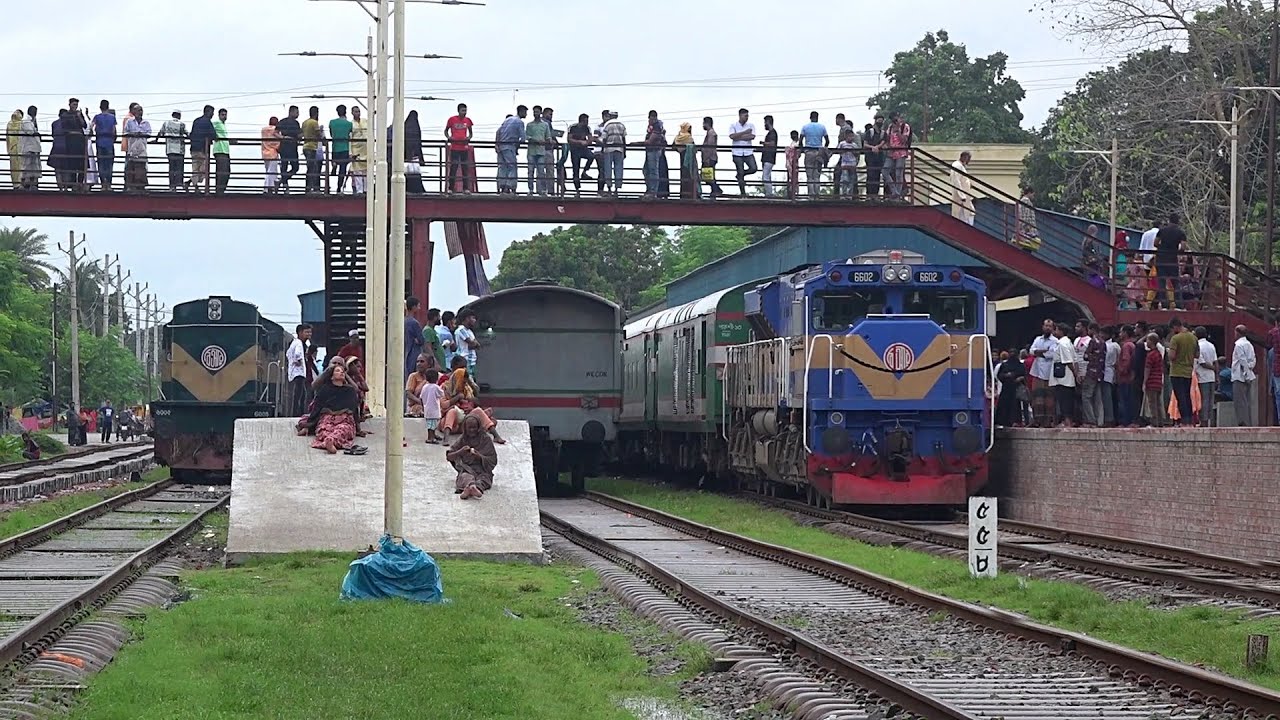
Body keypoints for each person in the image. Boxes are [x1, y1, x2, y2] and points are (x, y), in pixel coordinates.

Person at [299, 360, 367, 454]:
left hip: (344, 419)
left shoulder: (350, 391)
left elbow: (354, 410)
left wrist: (358, 428)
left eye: (343, 371)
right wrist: (308, 425)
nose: (341, 372)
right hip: (327, 418)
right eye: (337, 371)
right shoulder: (325, 390)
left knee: (343, 430)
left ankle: (330, 442)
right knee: (323, 430)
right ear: (331, 376)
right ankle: (328, 441)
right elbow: (317, 408)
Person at [447, 414, 498, 500]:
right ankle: (470, 487)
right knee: (465, 477)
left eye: (474, 427)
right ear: (465, 428)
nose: (472, 430)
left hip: (482, 470)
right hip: (467, 469)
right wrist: (461, 451)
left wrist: (479, 457)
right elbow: (449, 456)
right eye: (469, 428)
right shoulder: (463, 439)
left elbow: (493, 460)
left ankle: (475, 488)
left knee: (484, 479)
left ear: (478, 427)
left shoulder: (485, 439)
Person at [1166, 317, 1197, 425]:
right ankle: (1189, 420)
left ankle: (1184, 420)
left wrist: (1169, 351)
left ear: (1175, 326)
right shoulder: (1193, 338)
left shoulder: (1175, 338)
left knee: (1180, 396)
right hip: (1188, 370)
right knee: (1187, 395)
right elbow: (1197, 354)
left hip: (1177, 371)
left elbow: (1172, 356)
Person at [1049, 322, 1077, 427]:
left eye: (1056, 330)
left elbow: (1068, 360)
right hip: (1064, 376)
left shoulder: (1062, 344)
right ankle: (1064, 420)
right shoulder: (1068, 342)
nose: (1054, 332)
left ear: (1060, 331)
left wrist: (1075, 374)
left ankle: (1067, 422)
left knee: (1064, 399)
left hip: (1064, 376)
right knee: (1065, 398)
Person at [444, 103, 474, 193]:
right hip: (455, 147)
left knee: (465, 167)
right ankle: (451, 188)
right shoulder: (452, 119)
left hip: (464, 147)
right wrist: (449, 137)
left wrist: (468, 138)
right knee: (454, 167)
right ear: (458, 111)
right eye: (462, 111)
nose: (464, 113)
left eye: (465, 111)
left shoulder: (468, 120)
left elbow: (471, 133)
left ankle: (466, 188)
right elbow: (446, 131)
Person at [1231, 324, 1257, 426]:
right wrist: (1250, 370)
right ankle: (1248, 421)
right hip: (1249, 374)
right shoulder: (1249, 344)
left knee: (1239, 401)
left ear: (1237, 332)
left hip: (1239, 375)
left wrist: (1245, 373)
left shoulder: (1238, 345)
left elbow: (1242, 360)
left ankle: (1242, 422)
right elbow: (1253, 360)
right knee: (1247, 401)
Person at [122, 105, 151, 194]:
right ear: (134, 112)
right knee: (131, 167)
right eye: (138, 110)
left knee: (141, 167)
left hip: (142, 147)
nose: (140, 112)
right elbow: (125, 133)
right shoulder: (130, 122)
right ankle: (131, 186)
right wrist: (134, 134)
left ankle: (141, 187)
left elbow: (149, 133)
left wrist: (141, 134)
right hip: (132, 147)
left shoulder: (146, 123)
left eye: (141, 110)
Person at [995, 350, 1026, 427]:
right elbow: (999, 375)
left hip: (1015, 388)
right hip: (1006, 388)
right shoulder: (1004, 365)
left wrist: (1019, 378)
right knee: (1005, 405)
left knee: (1015, 406)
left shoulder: (1020, 365)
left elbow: (1024, 375)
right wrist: (1007, 376)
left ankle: (1014, 421)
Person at [91, 100, 117, 191]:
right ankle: (109, 185)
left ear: (100, 107)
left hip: (100, 141)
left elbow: (91, 127)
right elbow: (113, 130)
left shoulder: (97, 117)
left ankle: (103, 185)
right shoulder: (112, 117)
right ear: (108, 107)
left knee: (101, 163)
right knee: (109, 164)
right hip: (109, 142)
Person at [287, 324, 312, 417]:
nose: (309, 334)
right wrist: (298, 360)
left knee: (302, 394)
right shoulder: (298, 343)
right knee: (299, 394)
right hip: (298, 373)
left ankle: (299, 413)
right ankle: (297, 414)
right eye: (307, 332)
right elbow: (297, 354)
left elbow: (288, 353)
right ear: (300, 333)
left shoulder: (296, 343)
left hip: (297, 373)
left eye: (310, 332)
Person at [189, 105, 216, 192]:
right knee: (204, 169)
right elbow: (213, 135)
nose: (212, 115)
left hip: (194, 147)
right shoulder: (208, 122)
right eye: (212, 113)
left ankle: (193, 184)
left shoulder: (196, 121)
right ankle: (193, 182)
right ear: (208, 112)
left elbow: (191, 134)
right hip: (203, 148)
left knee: (195, 168)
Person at [1142, 332, 1167, 427]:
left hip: (1152, 382)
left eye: (1147, 340)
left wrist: (1144, 382)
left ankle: (1154, 423)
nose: (1146, 342)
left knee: (1152, 404)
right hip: (1158, 381)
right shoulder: (1158, 354)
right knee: (1158, 404)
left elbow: (1147, 369)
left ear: (1151, 341)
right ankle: (1160, 422)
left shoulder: (1150, 355)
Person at [158, 111, 187, 191]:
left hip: (170, 149)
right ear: (179, 116)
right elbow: (187, 133)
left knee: (171, 167)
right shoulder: (182, 124)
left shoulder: (166, 123)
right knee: (179, 168)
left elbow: (161, 133)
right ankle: (179, 184)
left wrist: (156, 140)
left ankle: (172, 186)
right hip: (179, 149)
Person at [276, 106, 303, 191]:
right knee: (292, 167)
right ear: (291, 112)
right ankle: (284, 183)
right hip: (289, 146)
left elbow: (275, 133)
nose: (298, 114)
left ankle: (283, 181)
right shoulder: (292, 123)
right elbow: (275, 132)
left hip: (287, 146)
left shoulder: (285, 122)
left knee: (286, 166)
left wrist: (282, 137)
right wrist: (283, 137)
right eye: (296, 112)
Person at [329, 105, 353, 193]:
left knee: (336, 161)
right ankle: (339, 187)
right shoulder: (349, 124)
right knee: (343, 169)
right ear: (345, 112)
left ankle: (334, 164)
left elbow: (332, 134)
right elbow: (350, 134)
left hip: (335, 147)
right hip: (344, 148)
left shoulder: (332, 122)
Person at [302, 106, 325, 193]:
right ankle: (313, 188)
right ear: (316, 113)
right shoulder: (314, 122)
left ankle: (308, 187)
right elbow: (318, 134)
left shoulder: (305, 122)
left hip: (305, 146)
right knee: (313, 168)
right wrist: (322, 137)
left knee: (310, 167)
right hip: (312, 147)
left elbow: (301, 134)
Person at [950, 151, 975, 225]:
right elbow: (956, 181)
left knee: (969, 213)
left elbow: (962, 179)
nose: (969, 161)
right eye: (969, 158)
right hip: (961, 198)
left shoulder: (961, 166)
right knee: (963, 216)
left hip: (965, 197)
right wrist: (962, 196)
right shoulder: (957, 165)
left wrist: (969, 184)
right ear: (965, 157)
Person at [420, 369, 444, 443]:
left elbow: (421, 397)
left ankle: (432, 435)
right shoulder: (436, 387)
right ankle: (431, 438)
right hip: (434, 409)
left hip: (427, 408)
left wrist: (423, 407)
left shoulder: (424, 387)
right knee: (433, 424)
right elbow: (441, 394)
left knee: (429, 424)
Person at [404, 297, 424, 384]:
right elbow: (421, 340)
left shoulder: (403, 321)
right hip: (414, 352)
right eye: (418, 306)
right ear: (413, 307)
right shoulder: (414, 323)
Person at [454, 310, 479, 378]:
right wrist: (473, 343)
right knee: (466, 380)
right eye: (473, 318)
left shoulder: (470, 331)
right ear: (467, 318)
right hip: (465, 359)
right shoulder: (461, 330)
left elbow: (477, 345)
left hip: (472, 360)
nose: (475, 320)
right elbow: (472, 343)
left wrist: (473, 344)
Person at [212, 108, 231, 194]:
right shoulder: (217, 123)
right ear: (219, 115)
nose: (224, 116)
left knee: (227, 171)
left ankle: (222, 189)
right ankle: (219, 190)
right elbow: (210, 128)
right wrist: (214, 136)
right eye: (222, 115)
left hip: (225, 150)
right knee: (221, 171)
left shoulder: (223, 125)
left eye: (225, 115)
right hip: (219, 149)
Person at [349, 106, 367, 194]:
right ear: (352, 113)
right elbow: (349, 138)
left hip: (366, 149)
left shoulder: (365, 121)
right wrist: (350, 152)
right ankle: (359, 190)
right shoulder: (351, 124)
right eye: (356, 111)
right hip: (355, 149)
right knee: (357, 171)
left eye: (359, 111)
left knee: (366, 170)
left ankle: (366, 190)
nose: (358, 113)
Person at [760, 115, 778, 198]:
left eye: (765, 122)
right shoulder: (771, 133)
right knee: (767, 176)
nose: (764, 124)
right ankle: (768, 193)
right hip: (767, 157)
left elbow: (772, 143)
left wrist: (763, 143)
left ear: (768, 122)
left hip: (769, 157)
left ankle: (769, 194)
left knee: (765, 176)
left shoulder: (773, 133)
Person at [262, 116, 281, 193]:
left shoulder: (263, 130)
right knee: (272, 171)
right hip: (273, 152)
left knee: (268, 171)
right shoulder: (275, 130)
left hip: (264, 152)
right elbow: (276, 142)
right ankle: (268, 187)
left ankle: (268, 187)